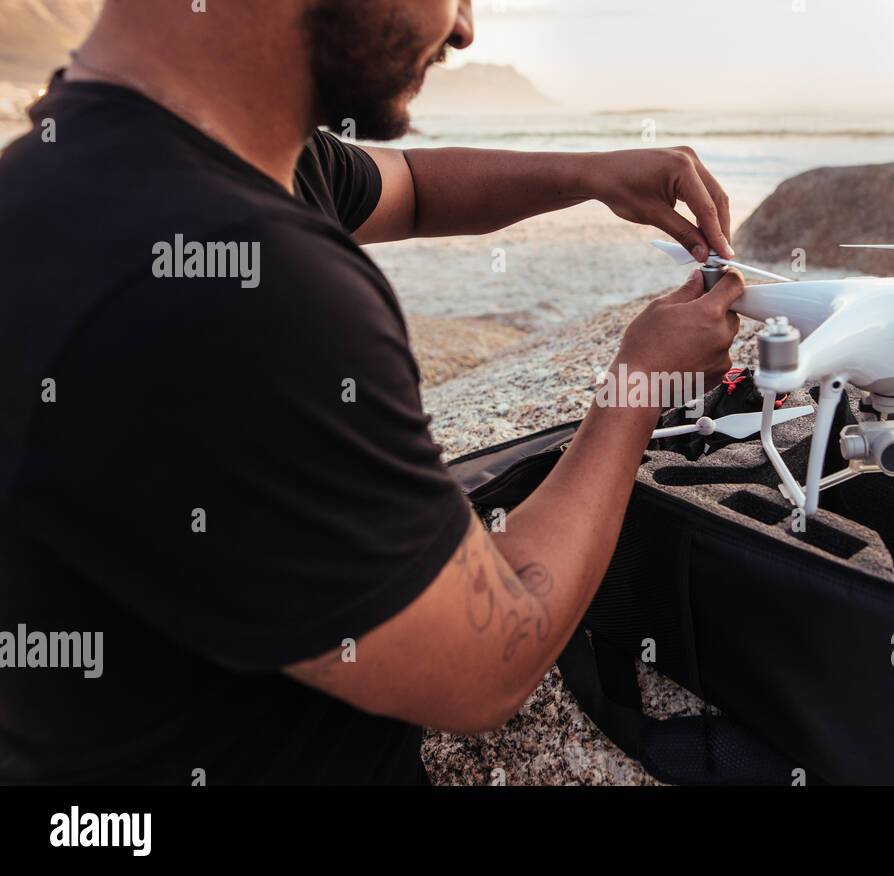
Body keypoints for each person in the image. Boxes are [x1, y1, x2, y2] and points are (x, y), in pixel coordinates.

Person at [0, 0, 741, 784]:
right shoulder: (243, 288)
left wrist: (586, 174)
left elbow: (413, 188)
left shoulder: (80, 172)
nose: (463, 28)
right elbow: (488, 661)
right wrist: (638, 386)